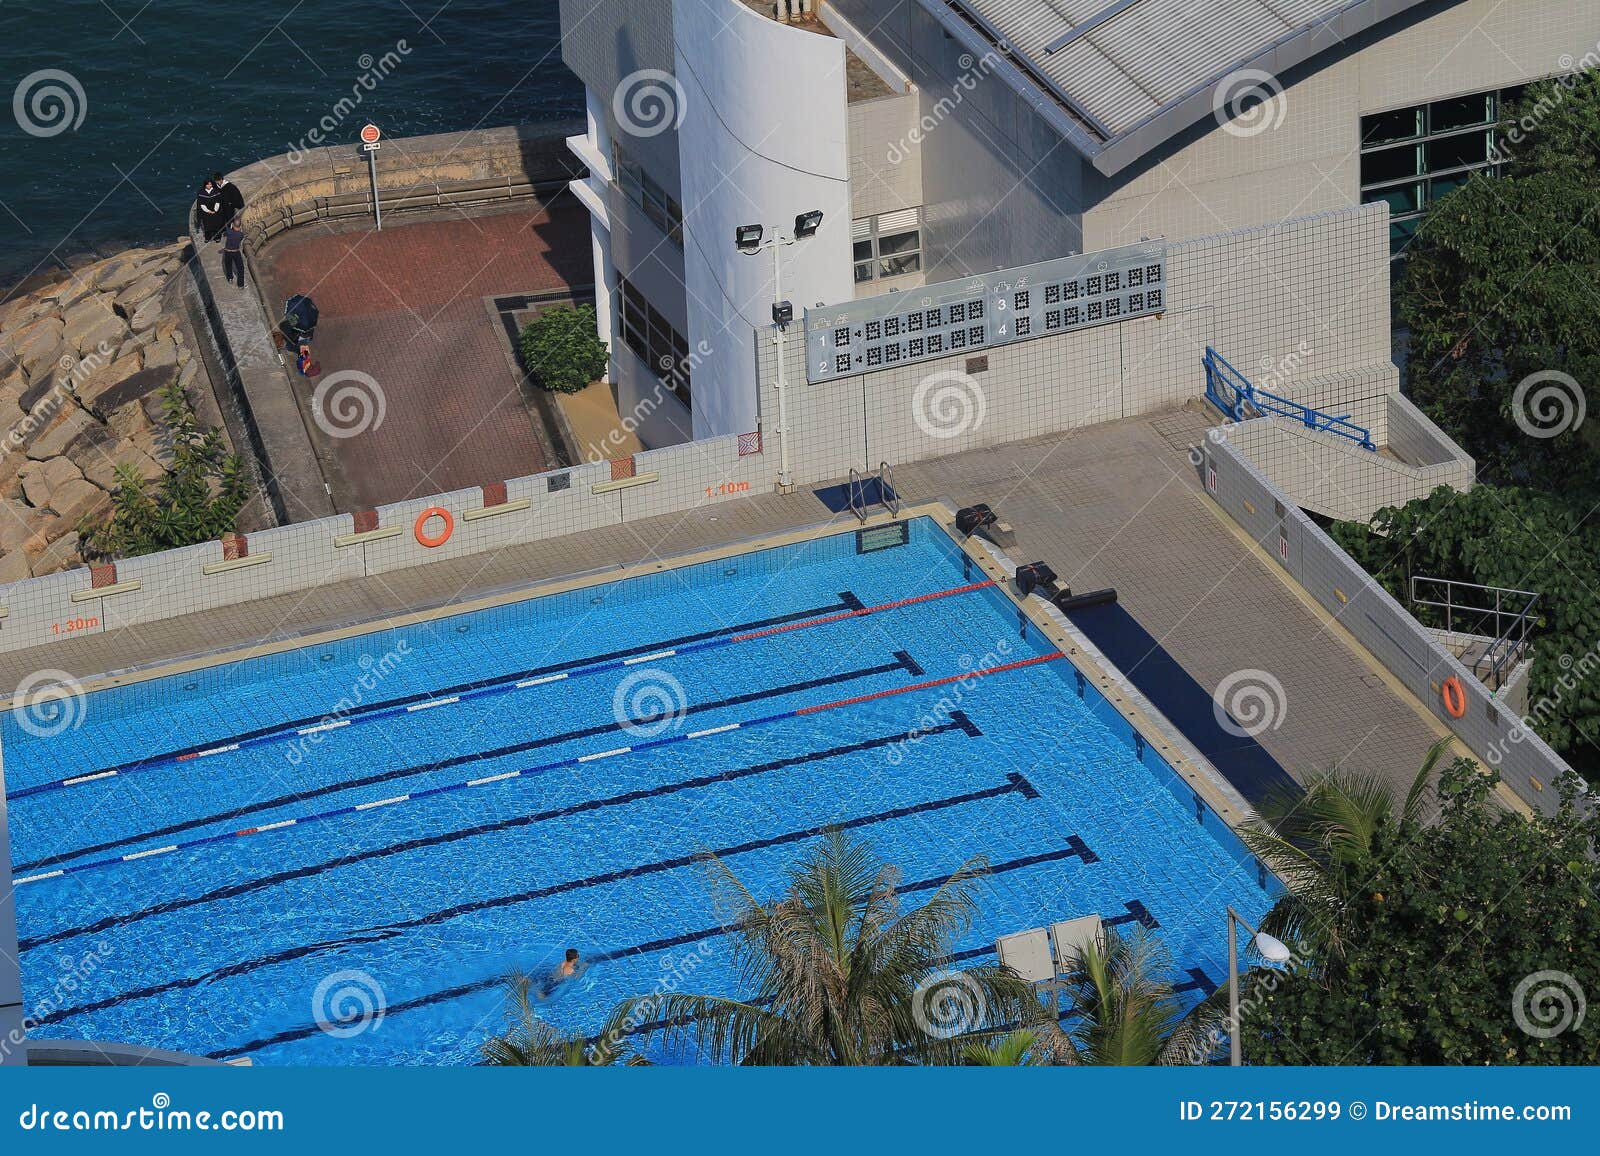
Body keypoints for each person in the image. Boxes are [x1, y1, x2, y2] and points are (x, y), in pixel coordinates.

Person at [221, 218, 246, 288]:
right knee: (240, 268)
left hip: (227, 252)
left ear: (232, 225)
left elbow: (225, 233)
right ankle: (240, 285)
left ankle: (230, 278)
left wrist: (231, 227)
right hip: (236, 252)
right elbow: (240, 235)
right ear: (240, 226)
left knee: (228, 266)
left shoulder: (228, 231)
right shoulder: (241, 234)